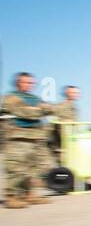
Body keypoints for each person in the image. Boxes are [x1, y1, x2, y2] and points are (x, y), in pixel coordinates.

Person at [2, 72, 53, 208]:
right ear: (18, 83)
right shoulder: (10, 97)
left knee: (33, 169)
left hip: (34, 137)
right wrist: (39, 110)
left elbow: (49, 108)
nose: (28, 85)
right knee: (16, 168)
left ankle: (29, 194)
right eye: (25, 82)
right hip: (17, 137)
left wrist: (40, 109)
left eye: (31, 83)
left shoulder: (35, 98)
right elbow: (24, 112)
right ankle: (11, 197)